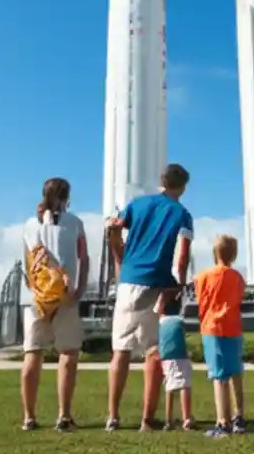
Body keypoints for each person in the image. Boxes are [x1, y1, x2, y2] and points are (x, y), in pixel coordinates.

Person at [104, 163, 194, 432]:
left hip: (128, 282)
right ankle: (146, 419)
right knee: (153, 352)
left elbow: (114, 226)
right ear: (183, 186)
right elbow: (183, 253)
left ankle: (113, 417)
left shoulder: (137, 203)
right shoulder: (182, 214)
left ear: (162, 180)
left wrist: (120, 257)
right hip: (156, 283)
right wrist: (179, 283)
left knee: (120, 350)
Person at [19, 177, 89, 433]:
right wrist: (80, 288)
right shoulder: (74, 223)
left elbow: (27, 265)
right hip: (65, 295)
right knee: (68, 353)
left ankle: (29, 416)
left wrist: (36, 290)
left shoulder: (29, 225)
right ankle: (64, 415)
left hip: (36, 298)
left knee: (33, 354)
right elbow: (84, 256)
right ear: (66, 197)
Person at [194, 234, 247, 438]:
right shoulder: (237, 277)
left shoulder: (203, 276)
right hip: (233, 328)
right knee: (235, 373)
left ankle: (222, 422)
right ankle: (239, 417)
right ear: (234, 254)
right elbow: (240, 296)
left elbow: (201, 300)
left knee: (218, 376)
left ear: (214, 253)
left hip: (212, 328)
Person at [158, 293, 197, 431]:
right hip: (180, 355)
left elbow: (159, 309)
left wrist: (163, 297)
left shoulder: (161, 321)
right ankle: (186, 418)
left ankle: (168, 419)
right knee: (184, 385)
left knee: (169, 386)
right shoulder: (180, 320)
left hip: (166, 357)